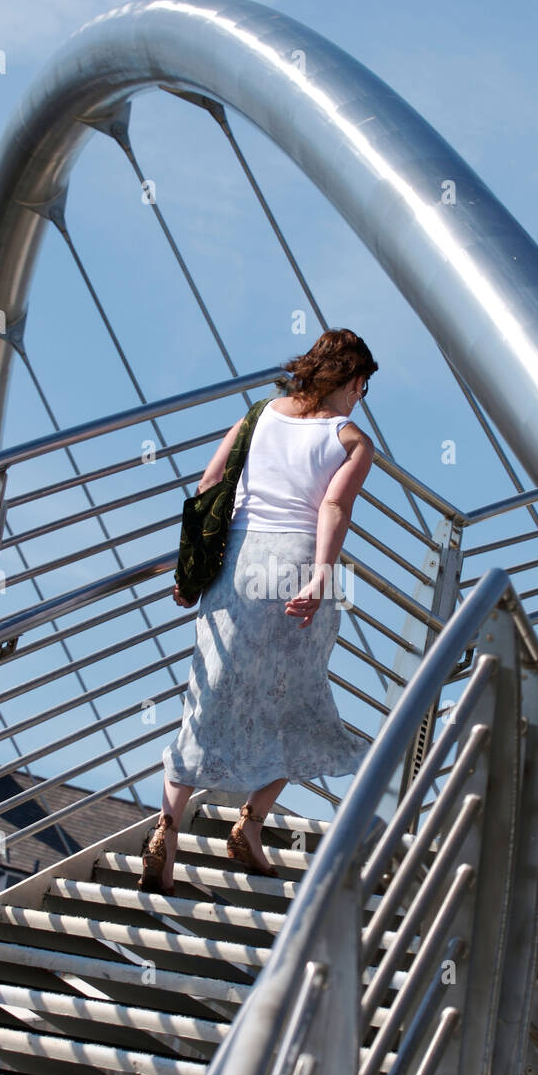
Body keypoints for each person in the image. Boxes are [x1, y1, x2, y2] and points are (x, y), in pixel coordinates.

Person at [140, 328, 377, 894]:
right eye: (362, 386)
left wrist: (191, 570)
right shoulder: (351, 441)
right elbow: (334, 507)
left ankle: (167, 827)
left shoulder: (257, 415)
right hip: (295, 566)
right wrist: (322, 573)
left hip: (237, 566)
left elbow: (210, 481)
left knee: (210, 693)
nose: (359, 398)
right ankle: (251, 825)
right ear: (352, 380)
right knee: (294, 702)